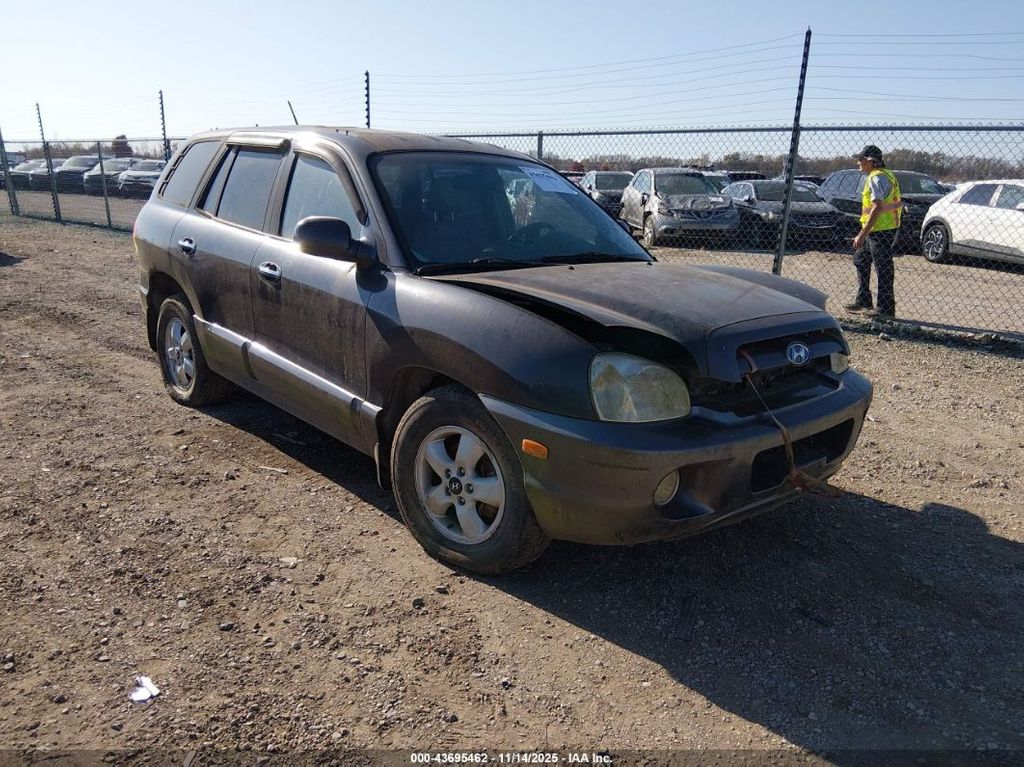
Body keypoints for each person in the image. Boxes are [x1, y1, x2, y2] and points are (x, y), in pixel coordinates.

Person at [846, 145, 902, 318]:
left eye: (861, 159)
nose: (858, 163)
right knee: (861, 259)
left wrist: (862, 234)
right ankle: (864, 299)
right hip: (877, 229)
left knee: (883, 268)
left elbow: (877, 207)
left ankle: (885, 309)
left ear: (871, 161)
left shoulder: (877, 177)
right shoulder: (884, 174)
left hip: (880, 230)